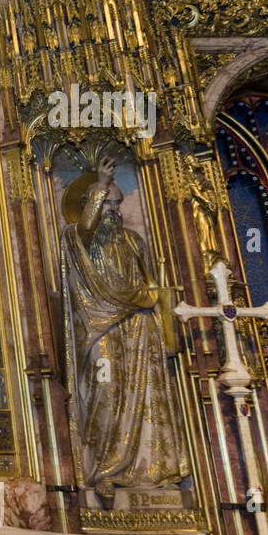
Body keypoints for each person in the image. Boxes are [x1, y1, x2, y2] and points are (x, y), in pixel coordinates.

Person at [61, 155, 190, 503]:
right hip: (101, 329)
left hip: (139, 328)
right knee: (106, 394)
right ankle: (105, 469)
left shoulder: (134, 242)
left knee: (148, 397)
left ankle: (150, 471)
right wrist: (100, 185)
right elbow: (84, 229)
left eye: (117, 203)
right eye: (106, 202)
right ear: (91, 203)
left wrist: (166, 331)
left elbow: (152, 286)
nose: (113, 210)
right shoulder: (79, 240)